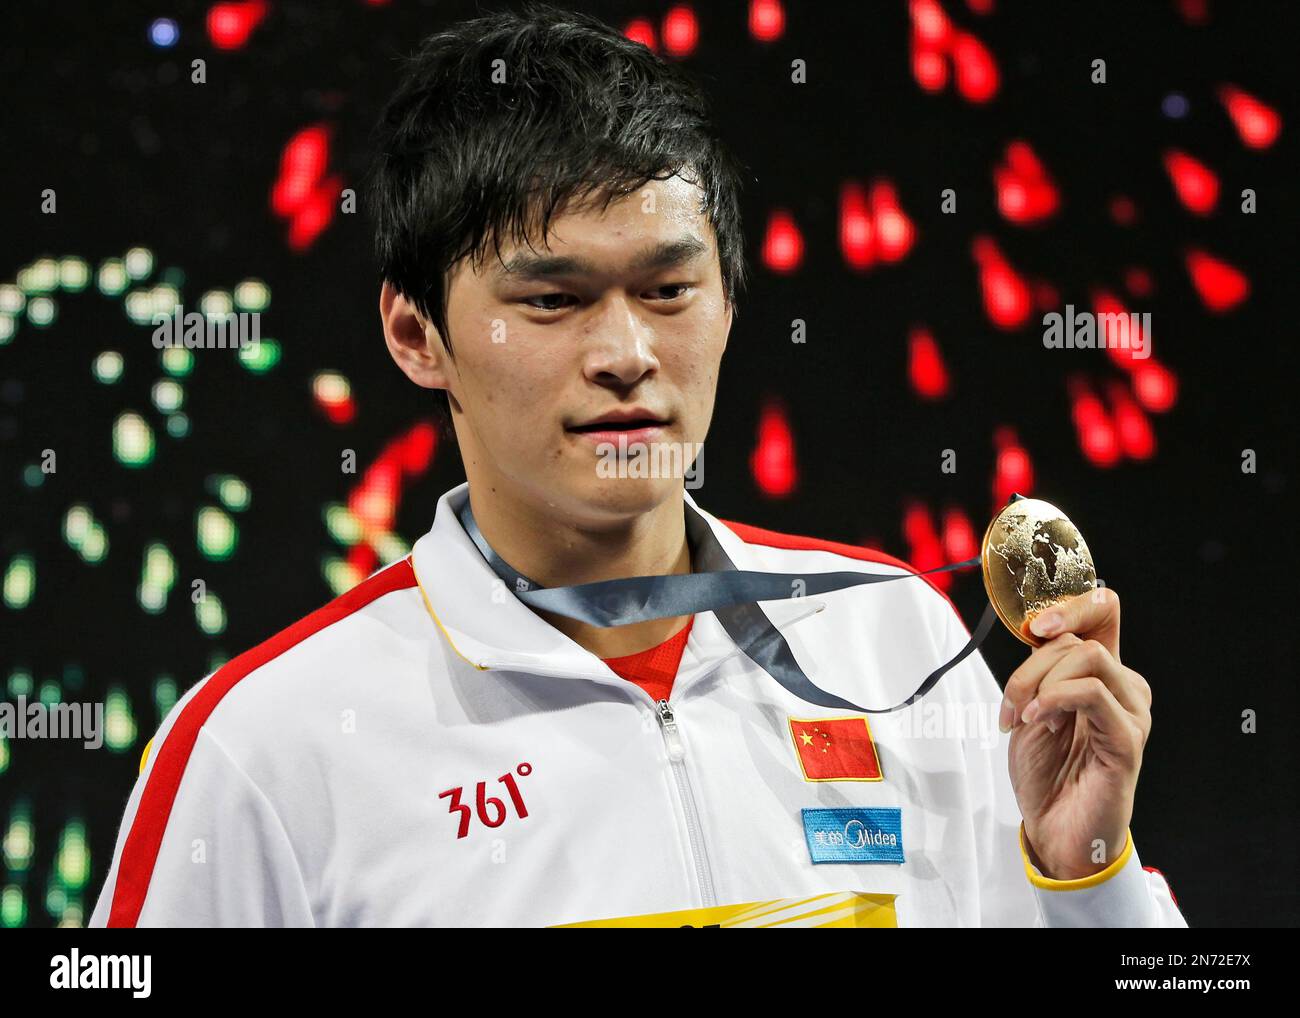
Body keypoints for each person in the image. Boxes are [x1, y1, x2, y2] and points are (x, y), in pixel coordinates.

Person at [90, 2, 1185, 928]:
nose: (627, 354)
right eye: (553, 299)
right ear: (416, 334)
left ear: (726, 302)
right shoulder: (262, 750)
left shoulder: (892, 636)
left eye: (667, 290)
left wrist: (1087, 878)